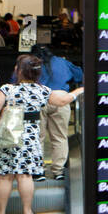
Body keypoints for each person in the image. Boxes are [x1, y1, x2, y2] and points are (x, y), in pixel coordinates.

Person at [0, 55, 83, 214]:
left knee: (5, 176)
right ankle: (27, 212)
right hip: (28, 138)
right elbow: (63, 100)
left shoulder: (6, 90)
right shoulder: (41, 90)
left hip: (7, 137)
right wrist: (80, 90)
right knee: (25, 176)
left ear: (19, 71)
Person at [35, 45, 83, 181]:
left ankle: (39, 171)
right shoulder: (62, 62)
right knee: (60, 137)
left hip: (38, 100)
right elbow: (79, 75)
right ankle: (58, 171)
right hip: (61, 99)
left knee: (38, 137)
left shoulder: (30, 62)